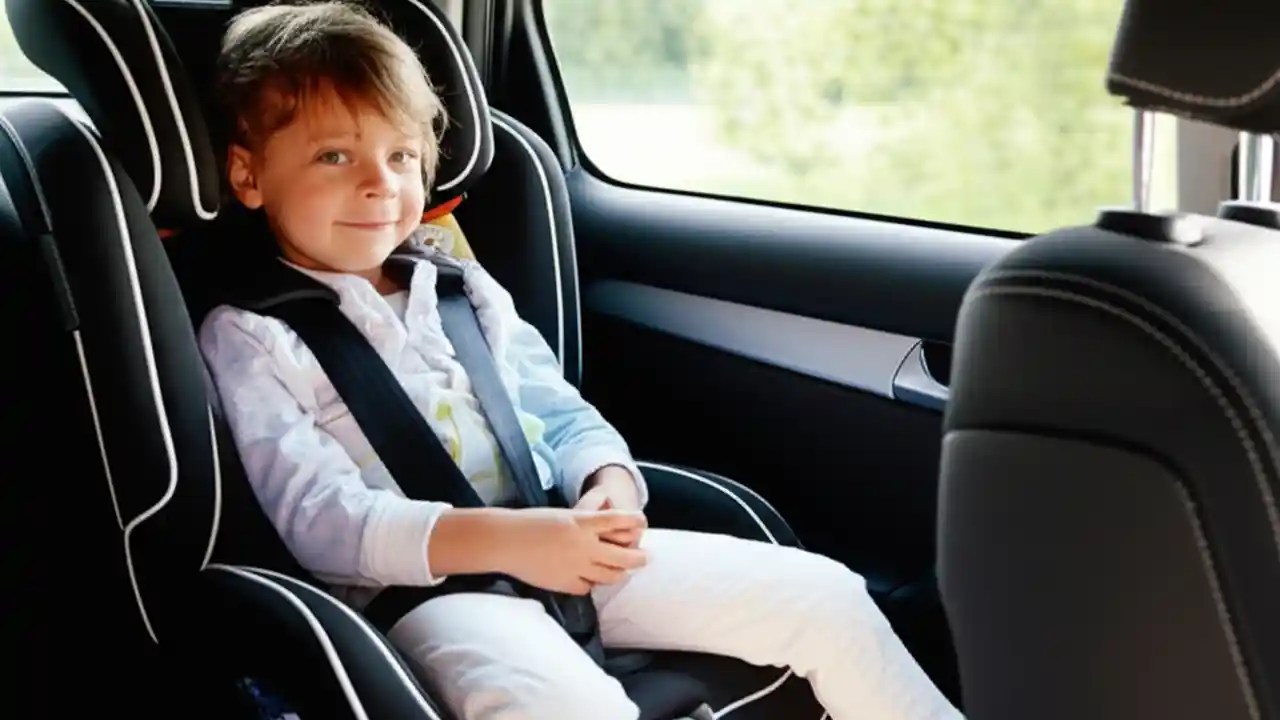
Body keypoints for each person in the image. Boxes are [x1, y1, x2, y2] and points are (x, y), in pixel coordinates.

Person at [199, 3, 964, 719]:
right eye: (335, 155)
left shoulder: (460, 284)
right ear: (248, 176)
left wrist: (608, 483)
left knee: (824, 596)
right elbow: (320, 520)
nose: (380, 182)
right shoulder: (253, 332)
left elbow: (560, 415)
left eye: (401, 153)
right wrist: (513, 542)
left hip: (567, 544)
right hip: (426, 598)